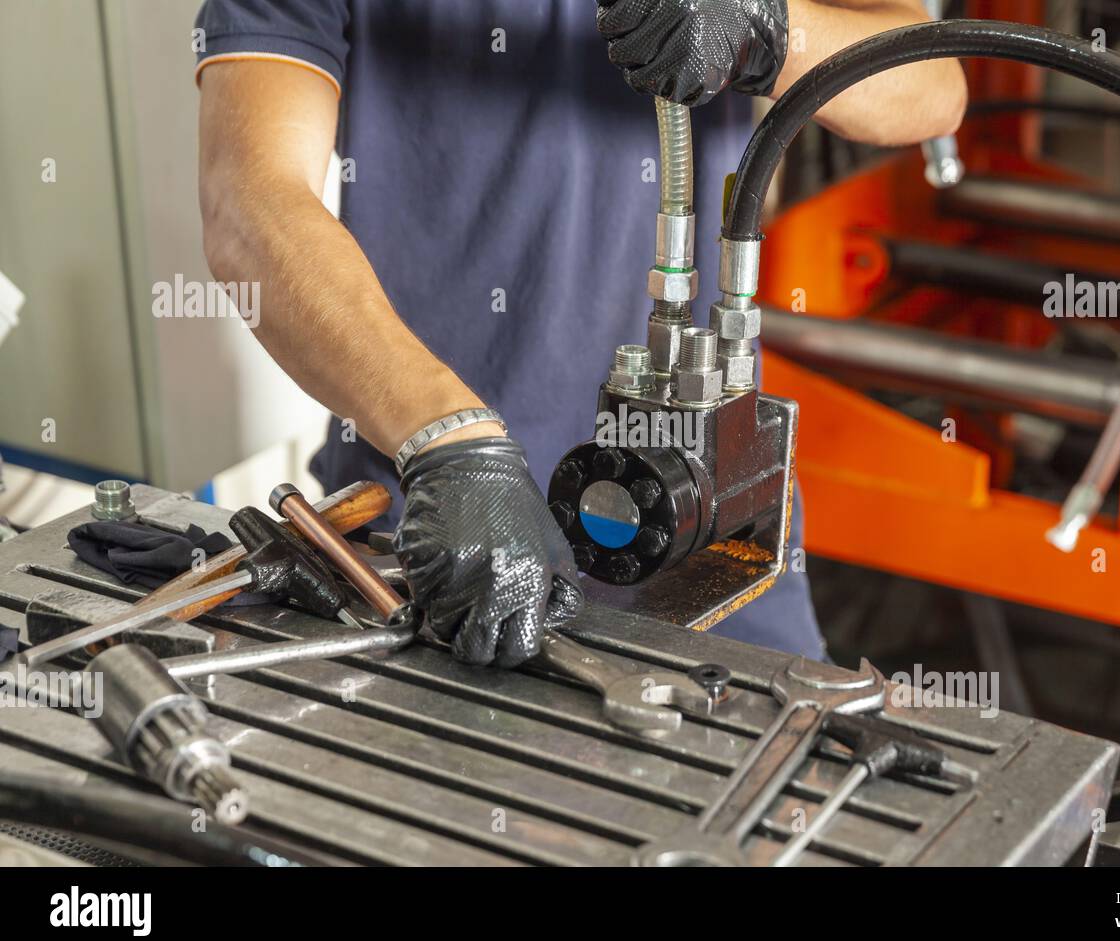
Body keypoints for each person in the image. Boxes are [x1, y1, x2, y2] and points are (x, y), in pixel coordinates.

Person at [195, 0, 966, 667]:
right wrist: (450, 441)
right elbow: (251, 199)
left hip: (711, 507)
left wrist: (767, 29)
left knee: (769, 812)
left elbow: (931, 87)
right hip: (445, 517)